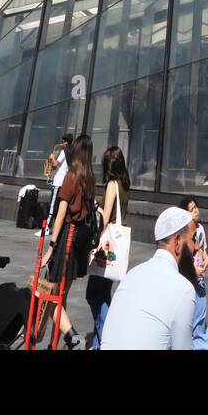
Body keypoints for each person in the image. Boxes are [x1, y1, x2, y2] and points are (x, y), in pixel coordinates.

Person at [101, 206, 197, 351]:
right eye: (193, 238)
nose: (196, 247)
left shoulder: (132, 274)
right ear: (177, 242)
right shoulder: (184, 289)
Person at [40, 133, 99, 350]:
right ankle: (53, 344)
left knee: (51, 295)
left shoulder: (71, 177)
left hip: (66, 239)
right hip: (79, 244)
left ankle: (71, 337)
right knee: (61, 295)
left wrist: (51, 246)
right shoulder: (89, 179)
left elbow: (61, 213)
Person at [86, 144, 130, 349]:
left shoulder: (113, 184)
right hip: (116, 247)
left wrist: (95, 206)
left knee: (94, 294)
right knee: (103, 293)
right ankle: (98, 343)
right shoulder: (125, 184)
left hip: (106, 247)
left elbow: (105, 217)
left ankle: (107, 338)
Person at [181, 195, 208, 350]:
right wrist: (193, 269)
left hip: (200, 279)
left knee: (200, 316)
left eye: (196, 208)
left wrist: (206, 260)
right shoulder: (183, 233)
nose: (195, 211)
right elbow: (181, 259)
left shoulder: (200, 229)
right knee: (189, 318)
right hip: (188, 279)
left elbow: (203, 251)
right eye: (191, 209)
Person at [38, 133, 73, 238]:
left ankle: (47, 228)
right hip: (64, 183)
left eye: (63, 141)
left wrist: (52, 158)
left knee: (52, 206)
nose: (61, 143)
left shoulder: (63, 151)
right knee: (59, 208)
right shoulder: (71, 153)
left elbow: (55, 164)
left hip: (58, 183)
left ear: (66, 142)